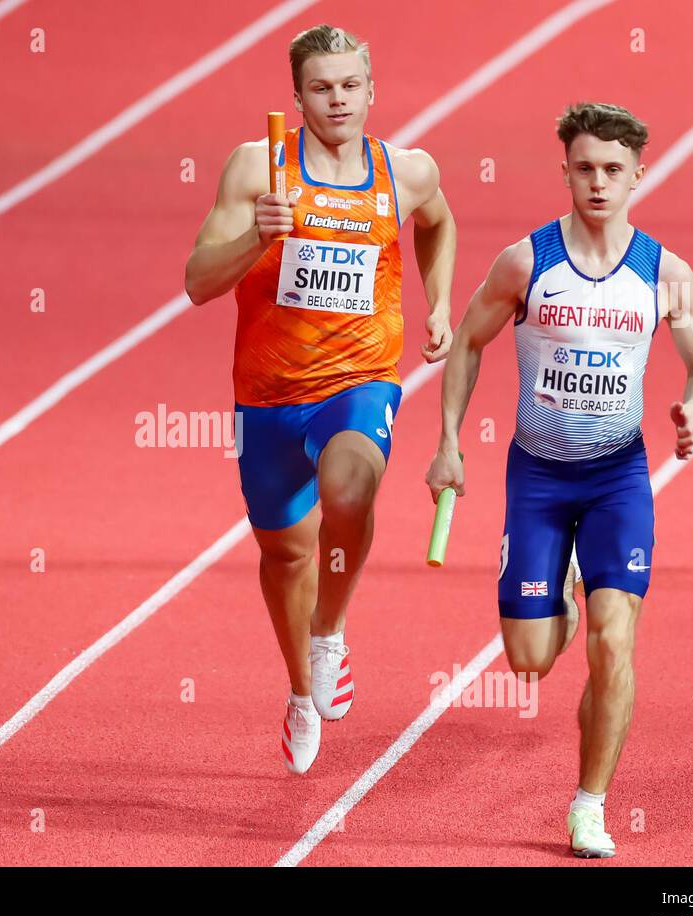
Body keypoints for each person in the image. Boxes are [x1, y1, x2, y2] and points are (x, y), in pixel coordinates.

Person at [425, 102, 693, 856]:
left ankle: (589, 805)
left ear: (637, 176)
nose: (598, 183)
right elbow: (466, 342)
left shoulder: (664, 273)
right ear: (565, 171)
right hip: (538, 478)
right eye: (585, 168)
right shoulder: (528, 262)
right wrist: (449, 443)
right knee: (528, 661)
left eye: (613, 171)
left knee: (613, 644)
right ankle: (557, 585)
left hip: (619, 479)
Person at [185, 24, 456, 774]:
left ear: (372, 89)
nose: (337, 100)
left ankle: (329, 631)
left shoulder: (406, 171)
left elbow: (438, 223)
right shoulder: (256, 167)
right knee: (284, 553)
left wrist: (437, 302)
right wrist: (255, 241)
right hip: (268, 394)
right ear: (297, 95)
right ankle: (303, 691)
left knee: (350, 484)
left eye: (349, 86)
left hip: (360, 379)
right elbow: (197, 283)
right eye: (321, 88)